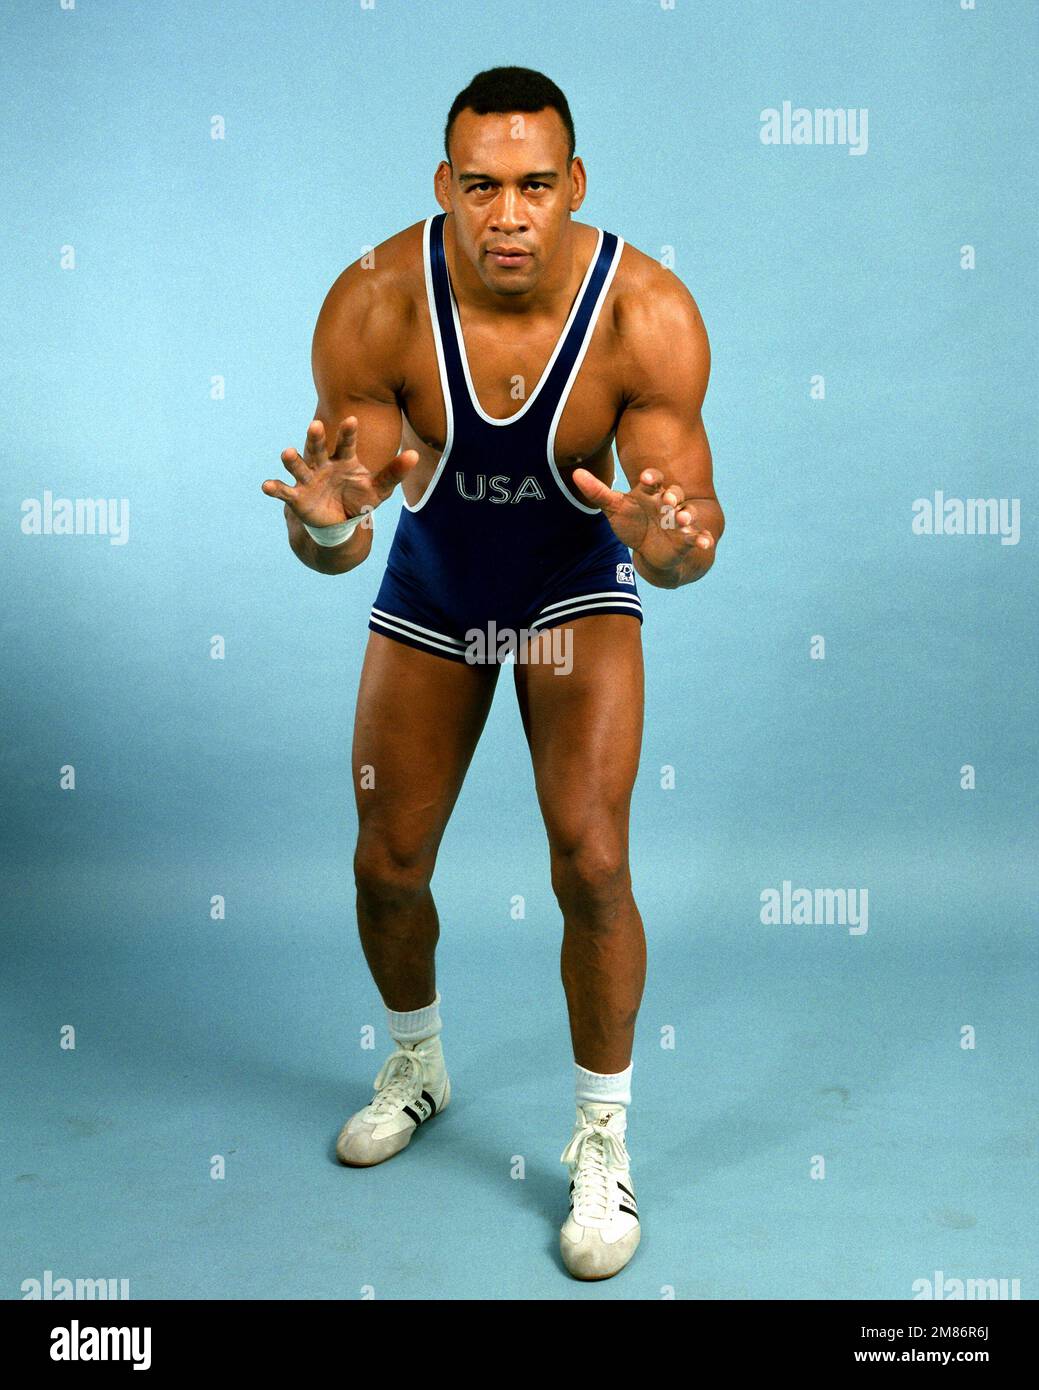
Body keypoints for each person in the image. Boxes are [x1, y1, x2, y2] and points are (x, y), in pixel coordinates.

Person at [261, 65, 724, 1282]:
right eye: (480, 187)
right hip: (437, 594)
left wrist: (666, 543)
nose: (506, 215)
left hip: (574, 593)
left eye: (532, 186)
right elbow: (342, 533)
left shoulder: (648, 313)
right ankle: (417, 1062)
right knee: (386, 863)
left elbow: (687, 538)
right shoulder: (376, 304)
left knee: (592, 857)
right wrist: (321, 525)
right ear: (444, 187)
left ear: (573, 184)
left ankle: (603, 1140)